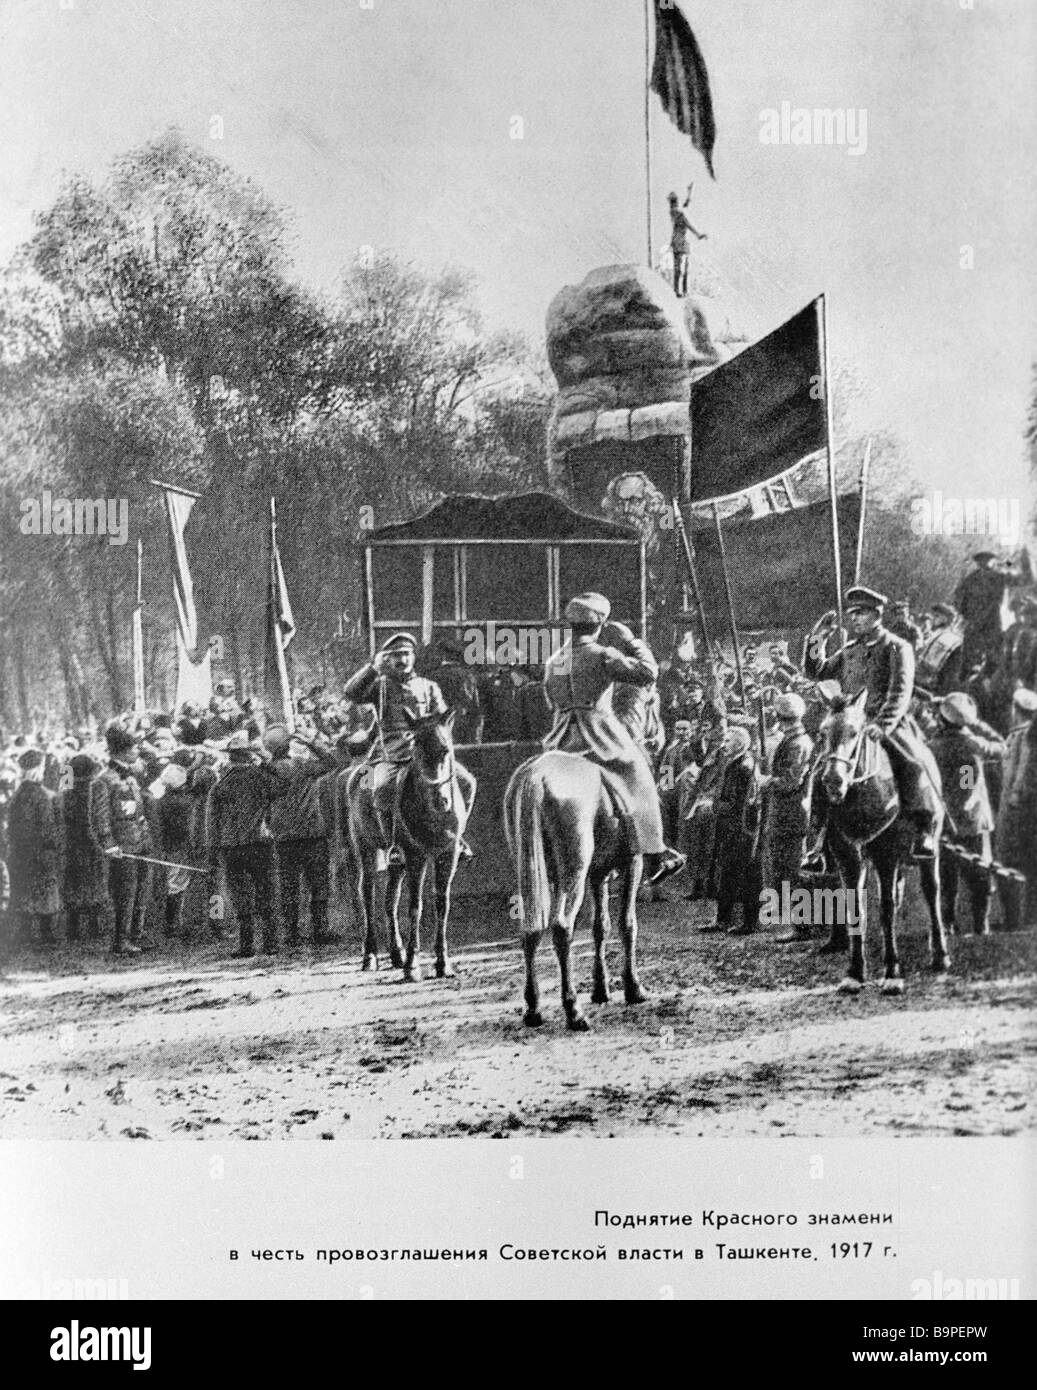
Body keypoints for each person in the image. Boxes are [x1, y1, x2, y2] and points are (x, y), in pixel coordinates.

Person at [541, 592, 685, 887]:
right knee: (640, 774)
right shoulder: (604, 654)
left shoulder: (555, 660)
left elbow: (551, 696)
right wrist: (631, 640)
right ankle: (656, 851)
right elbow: (648, 673)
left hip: (560, 738)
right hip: (598, 734)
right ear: (601, 624)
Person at [802, 586, 942, 865]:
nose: (855, 619)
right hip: (849, 723)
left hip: (886, 722)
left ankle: (924, 829)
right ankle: (817, 840)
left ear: (877, 614)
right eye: (852, 614)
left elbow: (900, 692)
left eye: (861, 613)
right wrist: (818, 639)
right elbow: (815, 671)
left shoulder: (897, 647)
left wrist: (884, 724)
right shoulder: (850, 651)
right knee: (820, 771)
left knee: (914, 762)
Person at [344, 633, 471, 868]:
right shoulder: (380, 687)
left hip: (424, 756)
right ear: (387, 660)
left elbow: (442, 722)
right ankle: (393, 846)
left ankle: (457, 836)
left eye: (406, 654)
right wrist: (373, 668)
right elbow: (351, 693)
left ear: (414, 657)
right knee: (381, 788)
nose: (403, 660)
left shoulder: (429, 687)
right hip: (391, 756)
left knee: (467, 782)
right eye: (396, 655)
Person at [929, 693, 1005, 937]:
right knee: (980, 879)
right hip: (972, 821)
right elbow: (1001, 745)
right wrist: (975, 722)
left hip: (944, 823)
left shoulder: (932, 747)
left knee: (946, 879)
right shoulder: (974, 745)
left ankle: (948, 926)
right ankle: (980, 926)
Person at [204, 729, 283, 957]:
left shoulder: (219, 786)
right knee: (265, 892)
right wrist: (266, 762)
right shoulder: (260, 777)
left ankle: (246, 945)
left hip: (232, 847)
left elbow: (212, 824)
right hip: (260, 843)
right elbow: (284, 785)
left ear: (230, 757)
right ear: (249, 756)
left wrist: (213, 853)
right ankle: (270, 943)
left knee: (240, 896)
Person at [264, 724, 340, 947]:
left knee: (289, 887)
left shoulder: (266, 771)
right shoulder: (302, 765)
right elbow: (331, 762)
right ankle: (320, 930)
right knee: (318, 884)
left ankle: (291, 933)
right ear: (288, 745)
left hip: (283, 837)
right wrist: (309, 742)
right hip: (311, 833)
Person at [758, 693, 815, 943]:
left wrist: (766, 780)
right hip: (783, 815)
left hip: (791, 816)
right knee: (785, 871)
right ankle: (797, 924)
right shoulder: (792, 740)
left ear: (782, 718)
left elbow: (790, 782)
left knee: (794, 872)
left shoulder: (797, 744)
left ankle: (803, 927)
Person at [95, 726, 153, 955]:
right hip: (123, 846)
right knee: (125, 894)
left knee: (141, 891)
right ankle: (121, 940)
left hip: (141, 843)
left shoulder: (131, 775)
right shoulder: (104, 780)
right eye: (134, 747)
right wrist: (109, 844)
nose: (138, 750)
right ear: (123, 751)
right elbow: (100, 817)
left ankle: (136, 936)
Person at [7, 748, 63, 948]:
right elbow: (47, 825)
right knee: (46, 890)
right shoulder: (41, 795)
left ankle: (26, 933)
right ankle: (46, 933)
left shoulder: (18, 795)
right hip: (41, 850)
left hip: (21, 851)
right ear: (37, 769)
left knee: (25, 892)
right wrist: (54, 845)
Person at [709, 727, 762, 935]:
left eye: (728, 741)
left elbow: (741, 803)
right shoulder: (733, 764)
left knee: (745, 875)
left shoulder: (744, 767)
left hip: (740, 829)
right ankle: (722, 919)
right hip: (728, 827)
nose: (723, 745)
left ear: (740, 744)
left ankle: (748, 923)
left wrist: (718, 806)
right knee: (726, 873)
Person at [995, 687, 1037, 931]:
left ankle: (1014, 919)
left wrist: (1014, 796)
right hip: (1001, 809)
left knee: (1010, 862)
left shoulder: (1022, 738)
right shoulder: (1018, 736)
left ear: (1015, 710)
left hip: (1012, 810)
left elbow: (967, 770)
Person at [59, 752, 110, 942]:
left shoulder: (67, 788)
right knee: (94, 882)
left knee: (73, 883)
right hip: (90, 842)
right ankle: (94, 927)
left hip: (71, 842)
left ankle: (72, 928)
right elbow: (98, 817)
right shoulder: (95, 787)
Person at [955, 549, 1032, 671]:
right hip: (987, 624)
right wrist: (1015, 561)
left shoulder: (975, 578)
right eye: (985, 561)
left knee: (970, 660)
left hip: (983, 624)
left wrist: (966, 615)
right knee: (979, 659)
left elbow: (959, 597)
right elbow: (1024, 578)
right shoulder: (995, 577)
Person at [916, 602, 966, 696]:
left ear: (945, 619)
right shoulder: (934, 634)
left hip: (927, 686)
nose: (933, 618)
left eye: (937, 616)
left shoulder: (949, 639)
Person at [667, 186, 707, 298]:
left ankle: (681, 290)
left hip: (681, 243)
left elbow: (685, 210)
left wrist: (689, 195)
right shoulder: (677, 214)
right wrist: (689, 195)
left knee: (682, 269)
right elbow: (686, 218)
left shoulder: (677, 213)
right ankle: (679, 290)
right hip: (680, 243)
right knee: (681, 269)